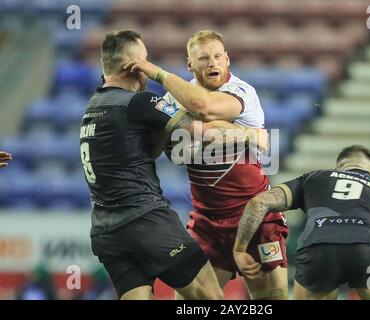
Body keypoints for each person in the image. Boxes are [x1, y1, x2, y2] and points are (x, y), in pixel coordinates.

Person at [81, 30, 263, 300]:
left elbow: (151, 150)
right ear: (133, 66)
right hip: (146, 220)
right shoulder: (140, 102)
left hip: (105, 231)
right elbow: (205, 130)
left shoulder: (93, 106)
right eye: (144, 61)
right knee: (210, 298)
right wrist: (252, 134)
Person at [123, 30, 288, 300]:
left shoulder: (240, 91)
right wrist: (236, 133)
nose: (213, 63)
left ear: (227, 60)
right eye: (203, 58)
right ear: (190, 64)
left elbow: (203, 107)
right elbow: (158, 149)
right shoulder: (176, 98)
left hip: (254, 216)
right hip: (207, 222)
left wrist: (157, 74)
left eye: (217, 56)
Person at [233, 145, 370, 300]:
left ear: (338, 169)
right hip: (366, 254)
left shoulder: (316, 178)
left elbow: (258, 203)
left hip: (317, 253)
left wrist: (239, 250)